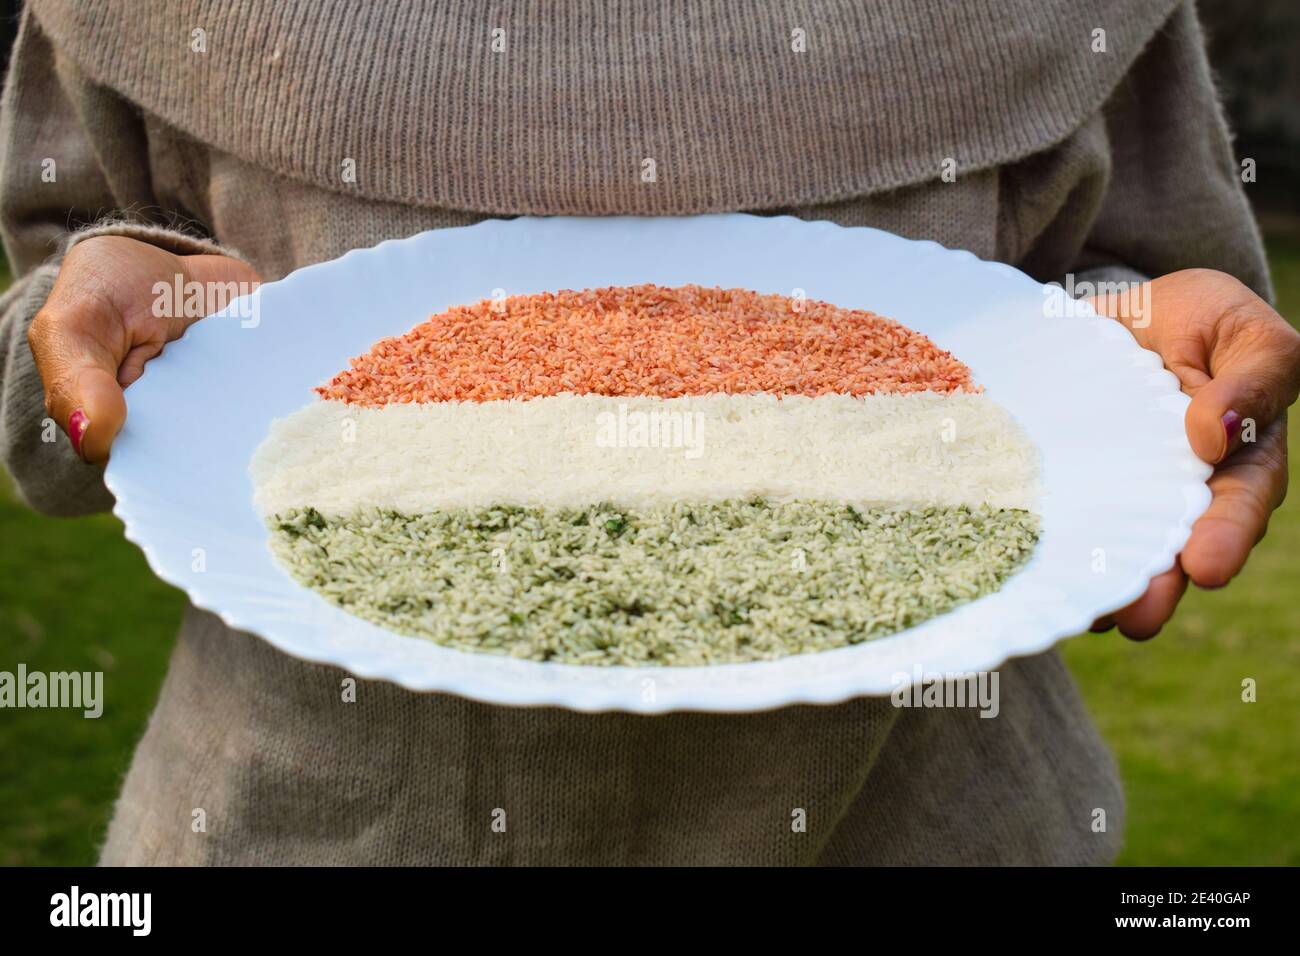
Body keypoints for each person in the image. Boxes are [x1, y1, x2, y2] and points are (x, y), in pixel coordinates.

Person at [2, 0, 1296, 865]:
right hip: (312, 827)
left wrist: (1132, 376)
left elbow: (1123, 300)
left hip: (933, 821)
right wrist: (127, 317)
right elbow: (60, 310)